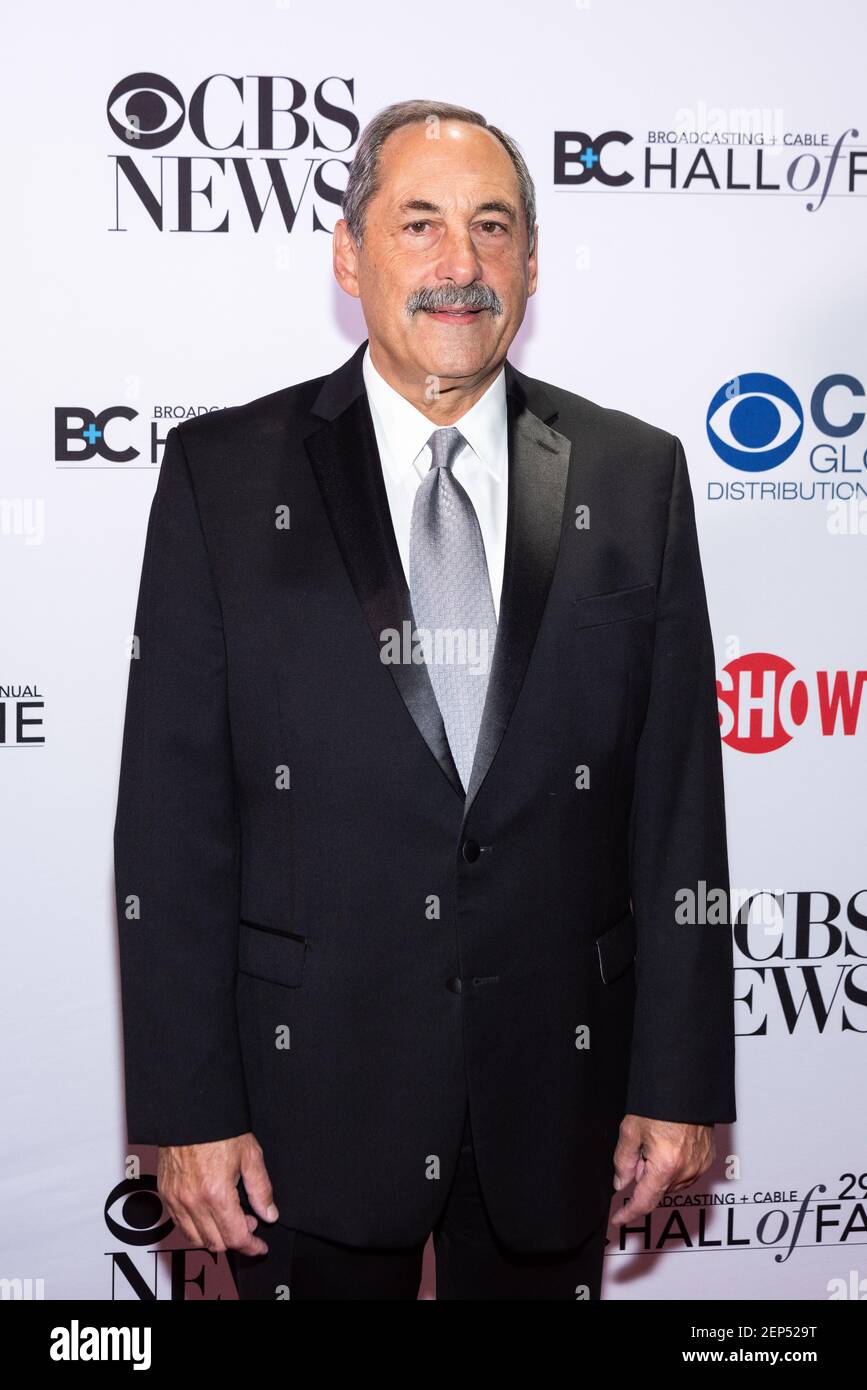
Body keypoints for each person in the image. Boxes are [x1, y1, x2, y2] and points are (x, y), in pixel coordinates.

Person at [113, 99, 736, 1301]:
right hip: (301, 1104)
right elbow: (171, 823)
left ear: (534, 263)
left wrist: (683, 1079)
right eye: (421, 225)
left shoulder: (635, 473)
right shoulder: (225, 477)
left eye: (494, 227)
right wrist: (186, 1107)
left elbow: (676, 811)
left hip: (559, 1095)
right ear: (350, 256)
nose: (462, 265)